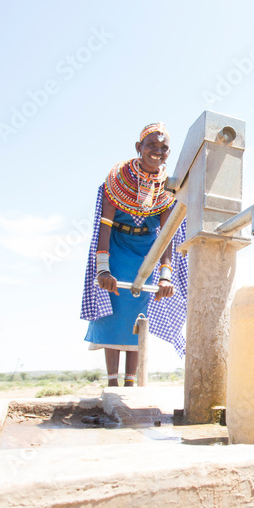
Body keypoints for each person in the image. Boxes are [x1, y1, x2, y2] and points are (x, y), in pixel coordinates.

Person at [80, 123, 189, 387]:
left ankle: (131, 384)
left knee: (138, 317)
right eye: (152, 146)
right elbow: (104, 227)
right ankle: (113, 383)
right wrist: (103, 270)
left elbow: (167, 236)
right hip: (116, 248)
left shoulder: (168, 188)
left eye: (163, 148)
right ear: (139, 148)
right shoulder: (116, 180)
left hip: (147, 253)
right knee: (113, 314)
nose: (157, 151)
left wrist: (165, 277)